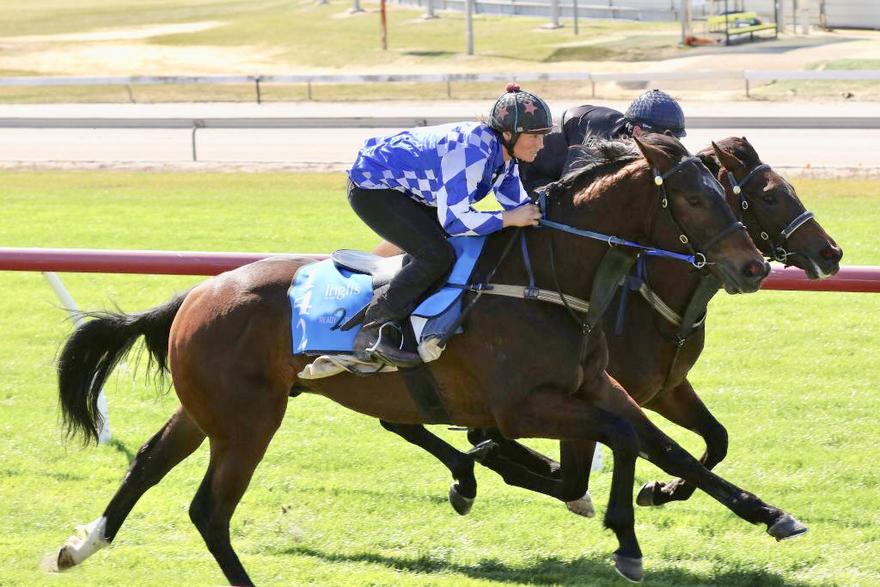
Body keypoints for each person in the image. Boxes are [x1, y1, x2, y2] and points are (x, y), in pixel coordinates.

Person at [347, 84, 552, 367]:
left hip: (408, 190)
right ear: (508, 134)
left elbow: (520, 206)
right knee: (436, 255)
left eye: (543, 136)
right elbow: (456, 220)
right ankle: (371, 331)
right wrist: (508, 219)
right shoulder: (471, 149)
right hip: (372, 187)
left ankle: (409, 314)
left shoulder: (505, 158)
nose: (541, 145)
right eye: (534, 136)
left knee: (448, 246)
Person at [520, 89, 687, 194]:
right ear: (637, 131)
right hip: (529, 175)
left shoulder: (631, 137)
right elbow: (571, 192)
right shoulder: (596, 132)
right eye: (663, 141)